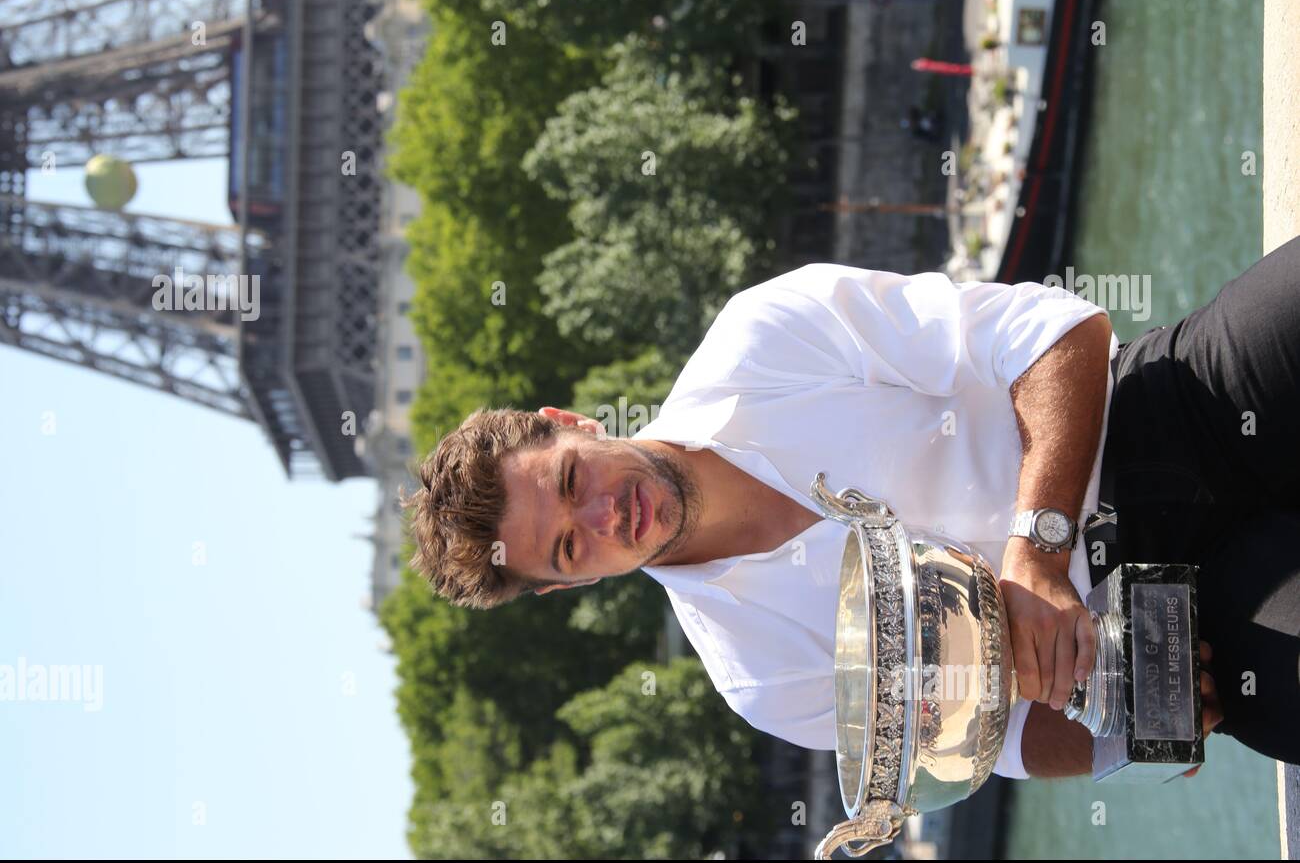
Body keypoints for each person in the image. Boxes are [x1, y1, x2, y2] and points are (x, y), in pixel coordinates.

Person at [403, 243, 1300, 778]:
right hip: (1183, 619)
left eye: (568, 480)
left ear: (570, 423)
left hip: (1175, 408)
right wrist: (1136, 720)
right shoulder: (760, 676)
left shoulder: (760, 336)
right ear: (567, 587)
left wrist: (1038, 551)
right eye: (568, 547)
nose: (604, 515)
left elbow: (1057, 335)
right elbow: (1019, 746)